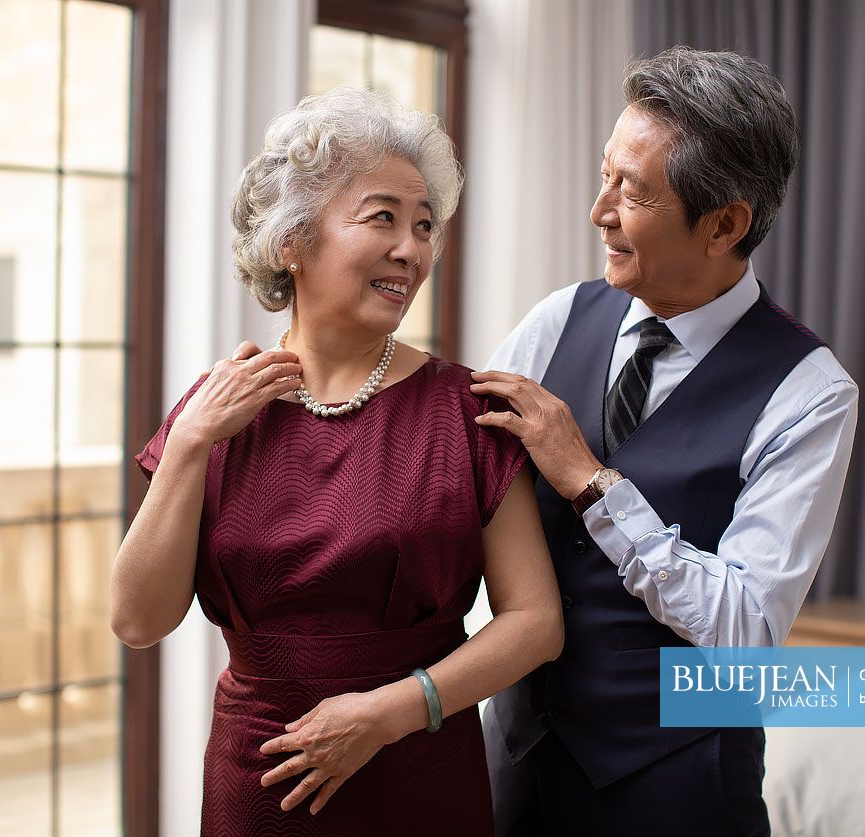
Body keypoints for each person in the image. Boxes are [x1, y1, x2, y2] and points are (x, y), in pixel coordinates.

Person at [109, 87, 563, 836]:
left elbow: (535, 622)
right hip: (264, 784)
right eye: (382, 217)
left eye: (424, 226)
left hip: (421, 773)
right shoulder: (215, 408)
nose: (412, 249)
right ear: (292, 241)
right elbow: (137, 618)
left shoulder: (465, 410)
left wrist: (388, 712)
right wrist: (190, 441)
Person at [473, 47, 859, 836]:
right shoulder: (556, 320)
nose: (599, 211)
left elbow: (747, 632)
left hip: (678, 786)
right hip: (514, 760)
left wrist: (593, 484)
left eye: (633, 191)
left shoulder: (809, 391)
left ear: (724, 224)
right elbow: (448, 481)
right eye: (605, 176)